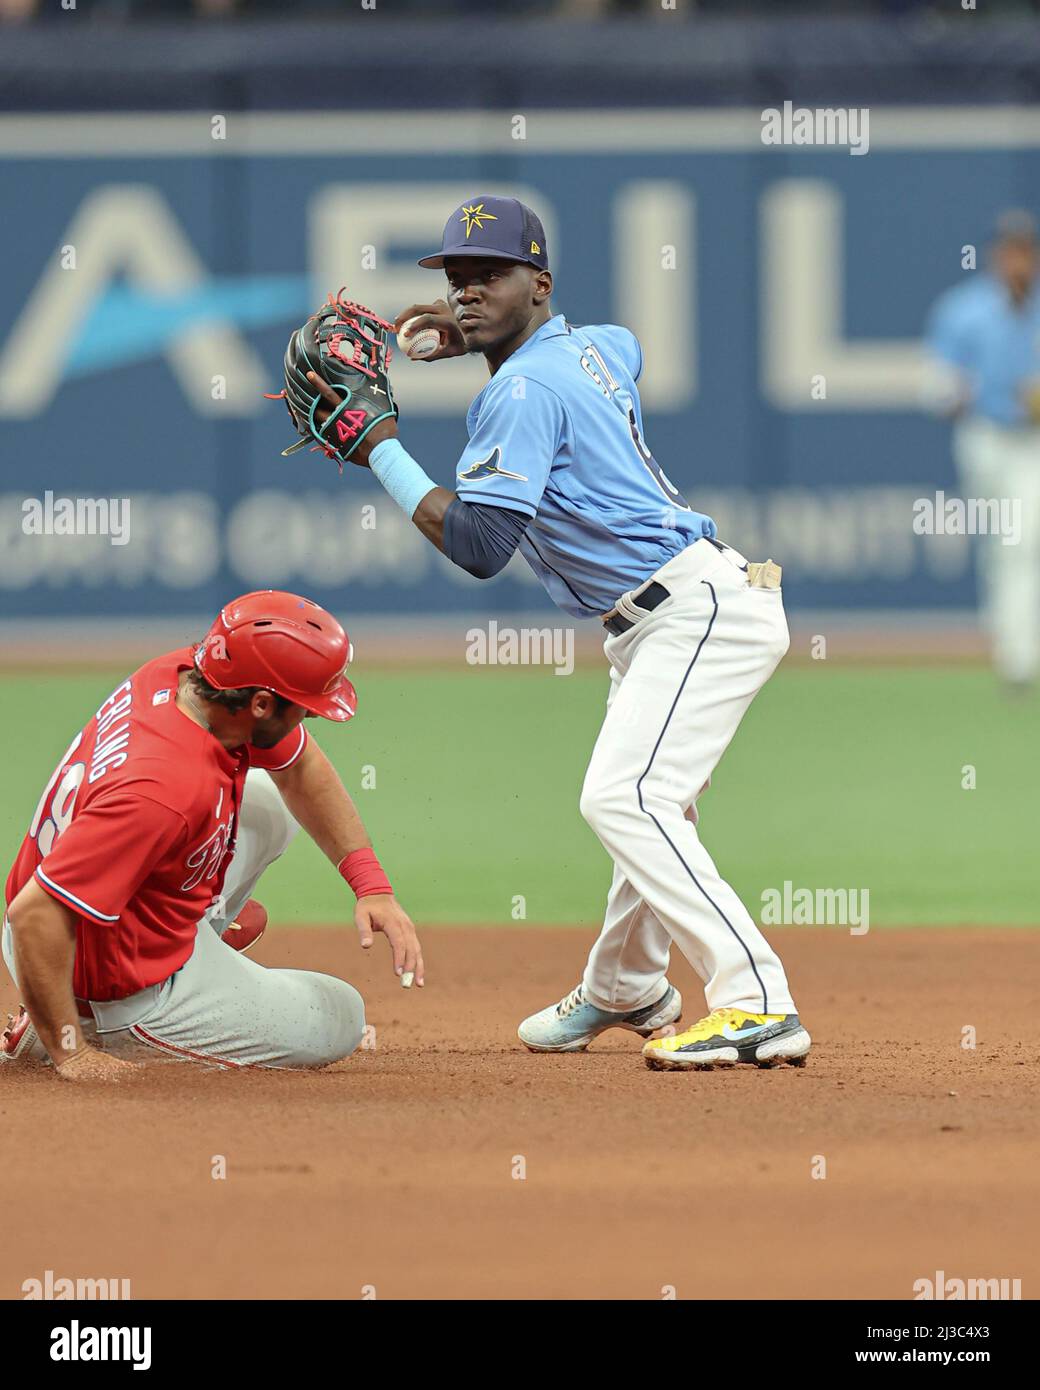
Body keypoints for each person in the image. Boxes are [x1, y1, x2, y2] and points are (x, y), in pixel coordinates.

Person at [306, 195, 808, 1070]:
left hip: (695, 613)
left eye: (488, 276)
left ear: (537, 281)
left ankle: (756, 1000)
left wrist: (379, 446)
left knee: (626, 799)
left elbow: (480, 547)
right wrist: (483, 338)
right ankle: (625, 988)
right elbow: (624, 344)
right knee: (654, 801)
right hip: (677, 611)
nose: (465, 292)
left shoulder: (522, 393)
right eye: (457, 279)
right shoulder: (590, 346)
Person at [2, 589, 423, 1082]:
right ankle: (81, 1027)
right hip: (100, 976)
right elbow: (34, 915)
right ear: (262, 704)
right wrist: (71, 1051)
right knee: (341, 1016)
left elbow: (301, 765)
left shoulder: (185, 675)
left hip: (92, 901)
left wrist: (371, 884)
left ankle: (191, 927)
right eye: (306, 705)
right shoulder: (163, 790)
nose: (312, 715)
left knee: (268, 802)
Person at [925, 209, 1040, 691]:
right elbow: (936, 389)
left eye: (1026, 250)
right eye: (1010, 249)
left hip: (1032, 442)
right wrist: (957, 393)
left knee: (1022, 542)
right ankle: (1009, 642)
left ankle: (1018, 658)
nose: (1018, 259)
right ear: (996, 255)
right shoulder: (963, 309)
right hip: (985, 438)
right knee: (1003, 546)